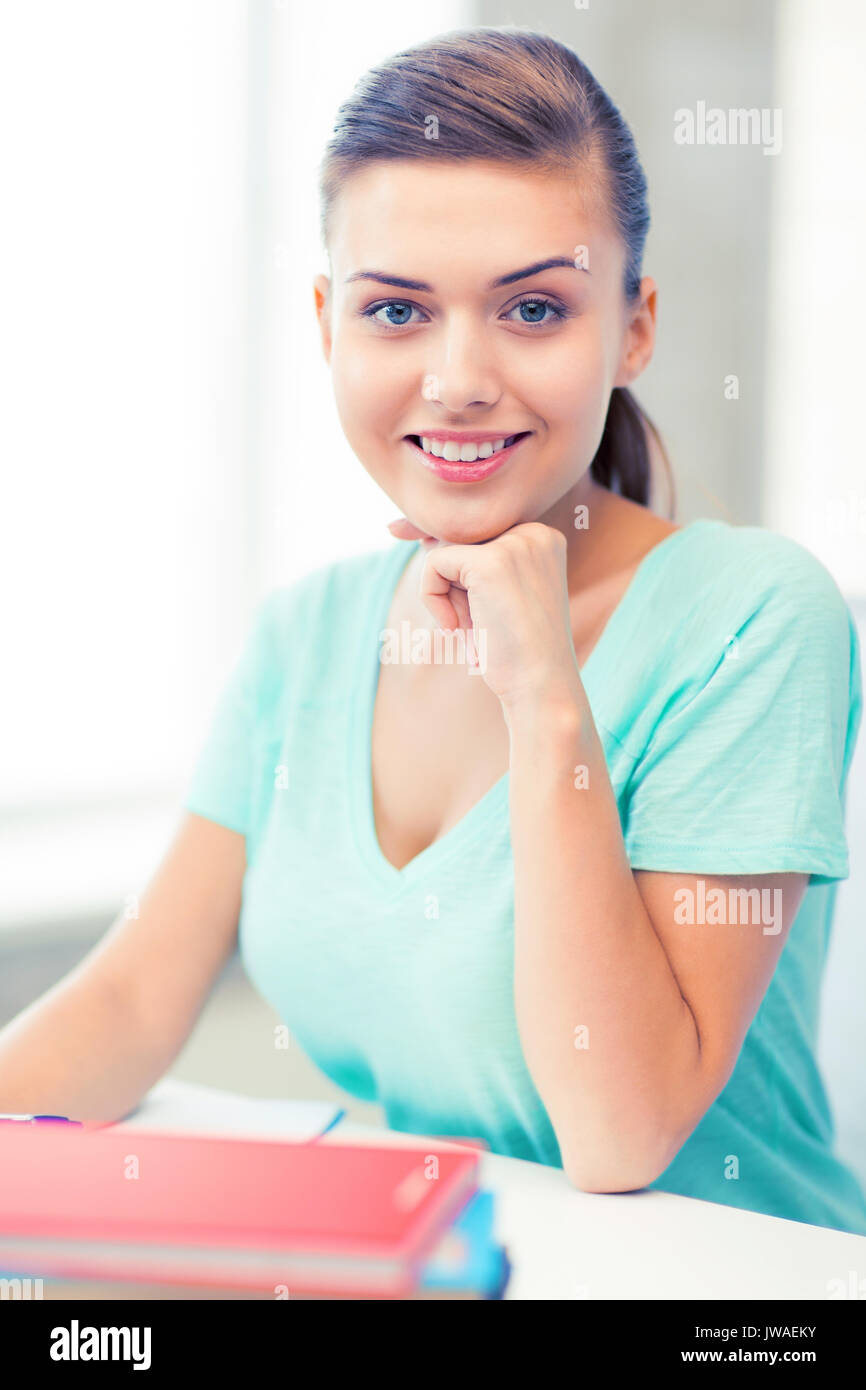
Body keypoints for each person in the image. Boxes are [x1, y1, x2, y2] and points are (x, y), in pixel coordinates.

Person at [2, 26, 864, 1239]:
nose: (457, 378)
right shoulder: (302, 638)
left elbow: (617, 1132)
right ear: (326, 324)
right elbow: (134, 1000)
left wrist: (543, 698)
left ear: (631, 327)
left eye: (531, 307)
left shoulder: (757, 619)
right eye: (397, 310)